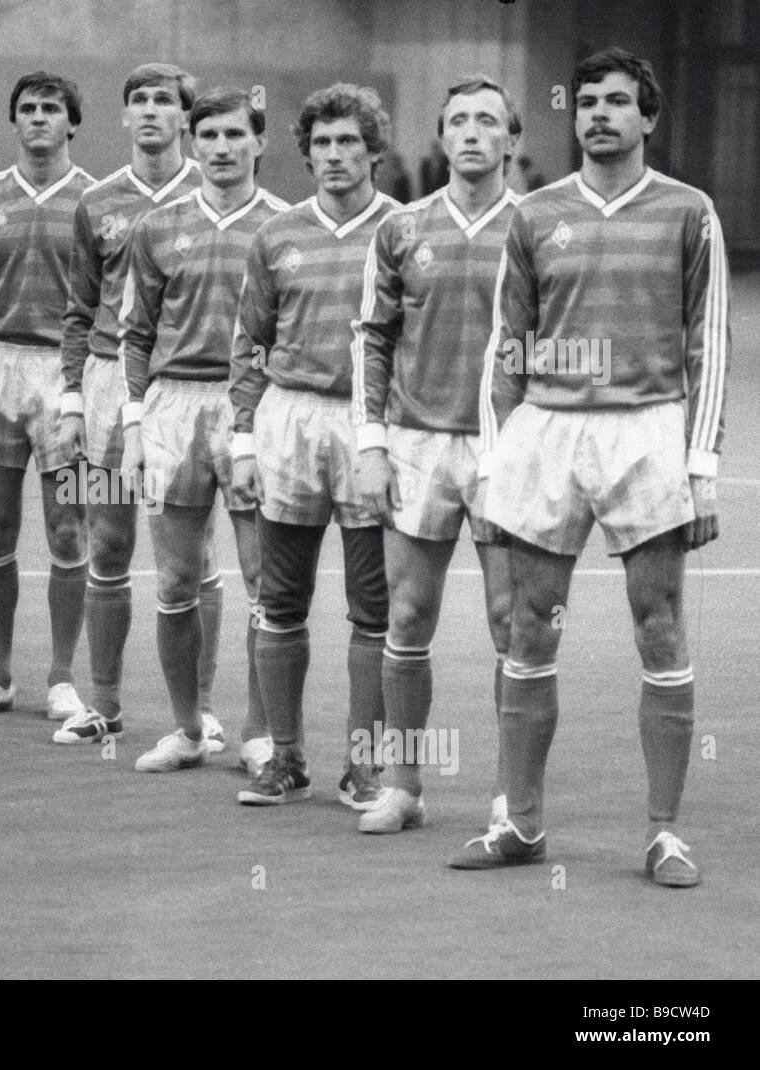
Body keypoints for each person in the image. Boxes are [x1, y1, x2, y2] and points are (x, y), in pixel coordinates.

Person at [452, 49, 729, 887]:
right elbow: (507, 343)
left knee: (660, 625)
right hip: (548, 430)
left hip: (646, 431)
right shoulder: (535, 214)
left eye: (619, 103)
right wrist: (496, 456)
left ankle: (665, 832)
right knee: (531, 627)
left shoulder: (690, 211)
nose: (600, 114)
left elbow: (706, 341)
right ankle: (523, 825)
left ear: (649, 118)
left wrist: (702, 462)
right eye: (589, 103)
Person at [352, 76, 521, 833]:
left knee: (513, 622)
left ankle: (513, 794)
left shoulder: (539, 225)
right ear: (442, 139)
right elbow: (372, 339)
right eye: (459, 121)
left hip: (512, 448)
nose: (474, 133)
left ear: (512, 139)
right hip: (418, 443)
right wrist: (371, 444)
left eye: (489, 121)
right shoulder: (400, 228)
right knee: (408, 616)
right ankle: (404, 786)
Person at [230, 84, 398, 806]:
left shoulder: (402, 229)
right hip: (290, 421)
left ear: (374, 151)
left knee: (372, 608)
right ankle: (284, 757)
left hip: (367, 426)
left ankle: (365, 766)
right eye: (322, 144)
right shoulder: (276, 235)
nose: (334, 156)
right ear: (305, 153)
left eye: (348, 142)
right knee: (280, 599)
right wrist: (241, 440)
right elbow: (248, 345)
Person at [54, 62, 229, 747]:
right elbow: (76, 311)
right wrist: (71, 398)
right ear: (123, 117)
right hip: (105, 387)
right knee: (107, 541)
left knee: (193, 556)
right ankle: (104, 706)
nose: (151, 111)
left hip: (185, 390)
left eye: (165, 101)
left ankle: (202, 709)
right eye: (139, 101)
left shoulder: (214, 190)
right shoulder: (96, 203)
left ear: (186, 118)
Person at [119, 86, 288, 774]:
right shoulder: (157, 227)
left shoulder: (283, 225)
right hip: (171, 409)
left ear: (259, 143)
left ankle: (257, 734)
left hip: (254, 408)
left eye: (234, 135)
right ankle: (189, 729)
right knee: (175, 581)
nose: (220, 148)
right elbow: (134, 334)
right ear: (192, 144)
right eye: (208, 136)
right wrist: (133, 427)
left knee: (265, 582)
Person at [0, 71, 94, 718]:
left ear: (71, 122)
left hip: (66, 374)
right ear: (11, 120)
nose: (37, 118)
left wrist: (92, 387)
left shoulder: (97, 200)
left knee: (69, 529)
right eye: (26, 108)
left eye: (50, 109)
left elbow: (110, 303)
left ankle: (61, 678)